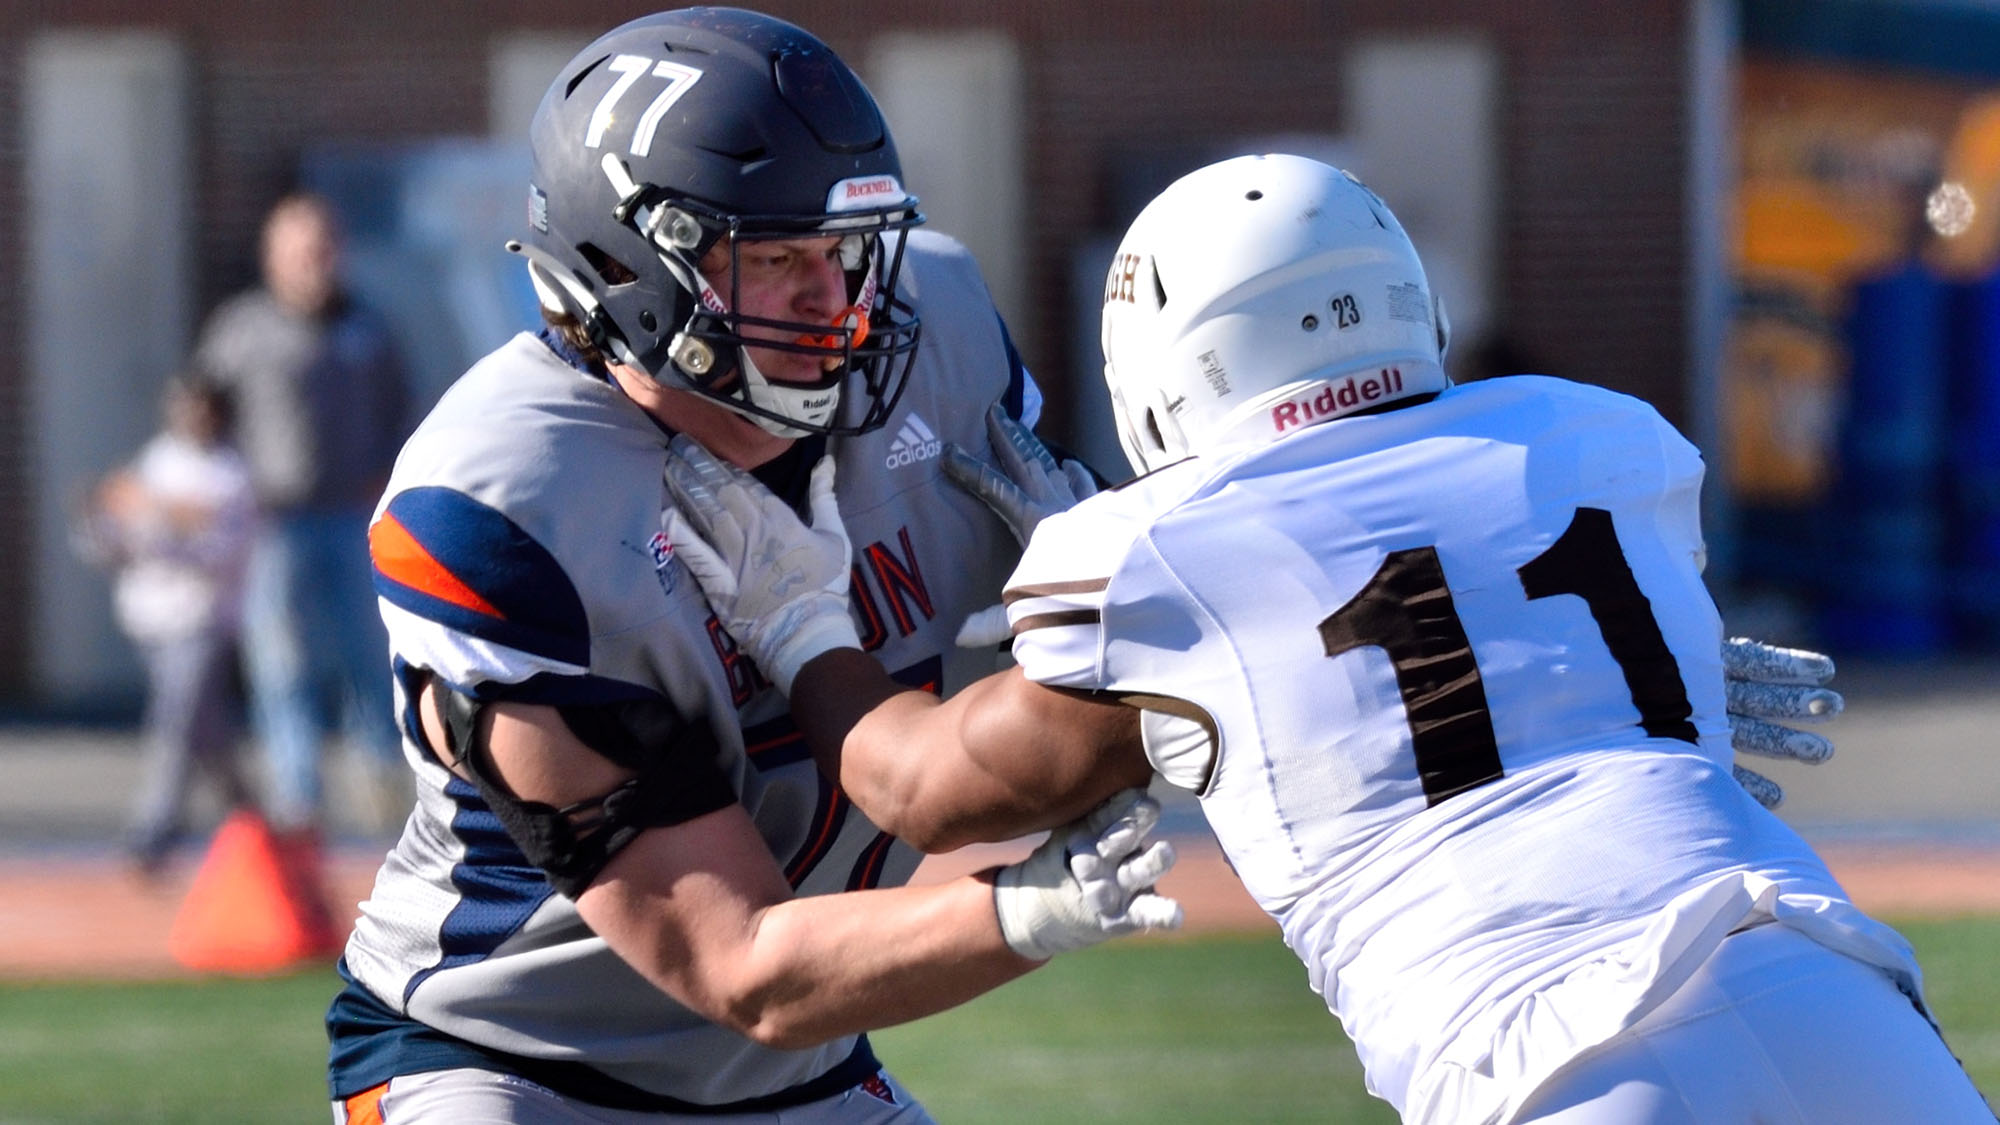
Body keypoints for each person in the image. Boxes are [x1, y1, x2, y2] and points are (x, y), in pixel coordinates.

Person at [660, 154, 1994, 1123]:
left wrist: (798, 617)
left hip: (1551, 1060)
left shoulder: (1155, 555)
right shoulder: (1601, 436)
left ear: (1173, 367)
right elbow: (1484, 622)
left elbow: (918, 788)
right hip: (1827, 980)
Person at [326, 10, 1179, 1123]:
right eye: (774, 260)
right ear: (625, 263)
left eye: (844, 254)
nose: (834, 305)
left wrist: (1120, 639)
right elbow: (741, 966)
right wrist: (1025, 912)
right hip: (515, 1057)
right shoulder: (507, 501)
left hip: (805, 1068)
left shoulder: (942, 338)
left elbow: (979, 773)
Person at [193, 191, 411, 838]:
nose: (317, 263)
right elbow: (202, 411)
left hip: (353, 519)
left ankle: (383, 796)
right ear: (274, 257)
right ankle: (299, 802)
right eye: (303, 251)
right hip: (273, 523)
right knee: (282, 664)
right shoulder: (243, 328)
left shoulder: (367, 327)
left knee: (369, 659)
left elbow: (404, 409)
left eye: (325, 249)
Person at [73, 376, 259, 875]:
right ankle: (253, 820)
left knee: (175, 720)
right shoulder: (157, 461)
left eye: (201, 409)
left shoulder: (230, 474)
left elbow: (219, 551)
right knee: (206, 730)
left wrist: (163, 525)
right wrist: (97, 519)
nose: (191, 417)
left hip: (201, 615)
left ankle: (154, 830)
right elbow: (120, 540)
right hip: (150, 614)